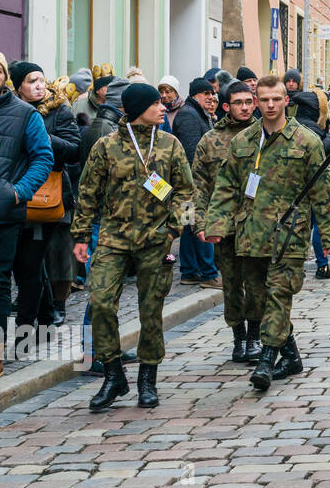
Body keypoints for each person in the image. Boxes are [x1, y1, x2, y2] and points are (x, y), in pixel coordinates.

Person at [203, 74, 330, 392]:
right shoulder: (242, 143)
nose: (268, 105)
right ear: (255, 102)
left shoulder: (305, 142)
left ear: (285, 101)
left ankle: (266, 361)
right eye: (262, 100)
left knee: (279, 296)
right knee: (262, 301)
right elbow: (226, 188)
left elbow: (323, 191)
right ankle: (291, 357)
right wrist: (215, 224)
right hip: (250, 235)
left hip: (288, 236)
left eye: (275, 99)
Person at [72, 82, 193, 410]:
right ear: (138, 108)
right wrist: (81, 236)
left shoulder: (170, 145)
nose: (162, 107)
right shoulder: (106, 146)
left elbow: (186, 191)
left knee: (150, 311)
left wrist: (174, 230)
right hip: (113, 238)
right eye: (155, 103)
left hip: (157, 241)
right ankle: (113, 375)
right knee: (99, 303)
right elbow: (87, 192)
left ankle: (147, 380)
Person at [0, 53, 53, 379]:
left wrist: (18, 191)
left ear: (6, 77)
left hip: (2, 215)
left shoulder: (25, 114)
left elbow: (43, 157)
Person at [191, 80, 263, 362]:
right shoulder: (210, 141)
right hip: (225, 225)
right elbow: (198, 185)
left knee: (256, 283)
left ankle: (256, 336)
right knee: (232, 285)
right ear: (226, 107)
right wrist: (199, 222)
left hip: (258, 223)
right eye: (238, 103)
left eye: (249, 102)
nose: (245, 107)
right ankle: (239, 336)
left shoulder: (264, 135)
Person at [9, 64, 81, 336]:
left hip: (47, 197)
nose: (40, 85)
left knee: (35, 259)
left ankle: (37, 320)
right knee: (25, 262)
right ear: (18, 87)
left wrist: (42, 137)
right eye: (31, 81)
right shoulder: (9, 110)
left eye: (41, 80)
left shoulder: (59, 110)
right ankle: (46, 311)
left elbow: (75, 150)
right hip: (15, 197)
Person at [170, 78, 219, 289]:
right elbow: (192, 152)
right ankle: (208, 273)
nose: (211, 97)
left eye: (212, 94)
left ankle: (190, 271)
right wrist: (199, 183)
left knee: (189, 229)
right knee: (199, 225)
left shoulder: (198, 114)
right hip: (192, 185)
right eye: (205, 93)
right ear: (195, 95)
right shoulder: (189, 116)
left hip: (190, 184)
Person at [291, 89, 330, 279]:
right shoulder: (315, 130)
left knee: (298, 225)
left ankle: (296, 265)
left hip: (294, 186)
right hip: (315, 184)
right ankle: (322, 265)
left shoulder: (290, 127)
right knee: (317, 225)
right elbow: (320, 153)